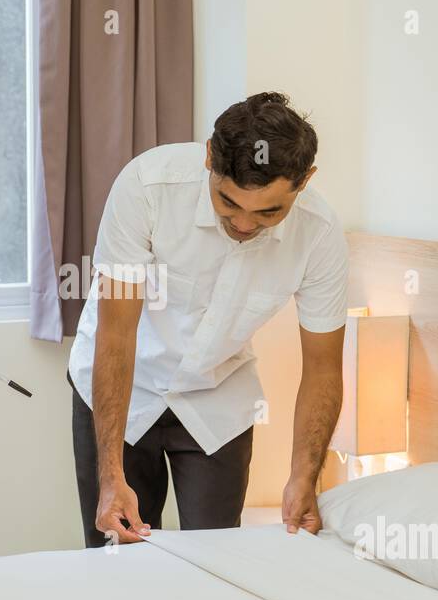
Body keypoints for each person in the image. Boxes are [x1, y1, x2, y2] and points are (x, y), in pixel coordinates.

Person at [67, 91, 348, 546]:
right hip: (122, 385)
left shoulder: (320, 234)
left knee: (218, 558)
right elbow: (116, 336)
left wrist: (304, 476)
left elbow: (322, 368)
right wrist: (111, 475)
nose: (243, 224)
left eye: (268, 212)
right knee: (119, 554)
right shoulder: (145, 187)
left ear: (305, 181)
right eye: (229, 203)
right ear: (209, 160)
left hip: (216, 397)